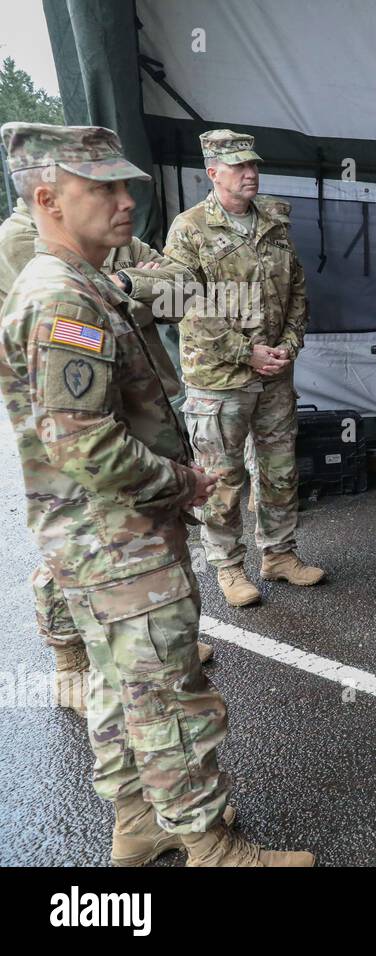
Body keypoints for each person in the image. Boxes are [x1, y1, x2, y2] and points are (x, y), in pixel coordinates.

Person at [0, 121, 311, 865]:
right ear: (47, 199)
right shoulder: (64, 300)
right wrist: (185, 481)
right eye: (99, 188)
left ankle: (139, 823)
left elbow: (182, 292)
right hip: (118, 535)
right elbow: (90, 447)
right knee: (170, 692)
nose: (122, 200)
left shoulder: (91, 277)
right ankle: (211, 845)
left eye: (123, 184)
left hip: (100, 534)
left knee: (119, 686)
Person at [1, 197, 215, 716]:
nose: (113, 197)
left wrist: (124, 286)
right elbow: (67, 319)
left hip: (141, 401)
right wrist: (135, 289)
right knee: (77, 542)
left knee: (139, 535)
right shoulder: (21, 241)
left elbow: (188, 289)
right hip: (75, 412)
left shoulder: (105, 235)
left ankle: (147, 648)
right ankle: (71, 662)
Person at [165, 129, 324, 608]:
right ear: (213, 173)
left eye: (253, 165)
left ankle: (279, 554)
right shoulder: (189, 229)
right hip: (219, 378)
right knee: (223, 476)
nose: (251, 173)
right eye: (238, 167)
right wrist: (245, 352)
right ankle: (229, 568)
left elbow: (297, 288)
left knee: (278, 468)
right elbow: (184, 304)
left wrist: (290, 343)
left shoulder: (274, 223)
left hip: (274, 373)